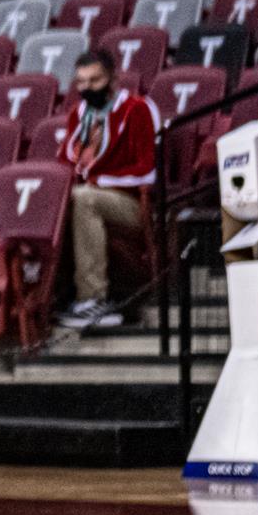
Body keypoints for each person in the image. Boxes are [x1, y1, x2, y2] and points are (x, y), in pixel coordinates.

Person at [55, 51, 159, 331]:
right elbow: (68, 162)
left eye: (95, 80)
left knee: (83, 198)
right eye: (81, 82)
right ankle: (52, 293)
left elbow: (147, 170)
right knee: (60, 201)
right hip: (89, 196)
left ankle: (92, 298)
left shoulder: (136, 108)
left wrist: (98, 181)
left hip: (132, 204)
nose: (87, 88)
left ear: (113, 78)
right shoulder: (78, 114)